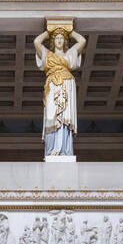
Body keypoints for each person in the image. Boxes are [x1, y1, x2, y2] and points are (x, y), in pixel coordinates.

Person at [33, 26, 86, 157]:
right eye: (57, 38)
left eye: (62, 38)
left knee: (65, 118)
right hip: (52, 84)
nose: (59, 40)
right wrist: (49, 31)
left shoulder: (70, 54)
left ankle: (65, 151)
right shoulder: (47, 55)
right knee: (52, 116)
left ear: (65, 41)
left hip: (67, 84)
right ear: (53, 41)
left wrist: (69, 30)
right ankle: (51, 151)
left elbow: (82, 41)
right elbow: (36, 42)